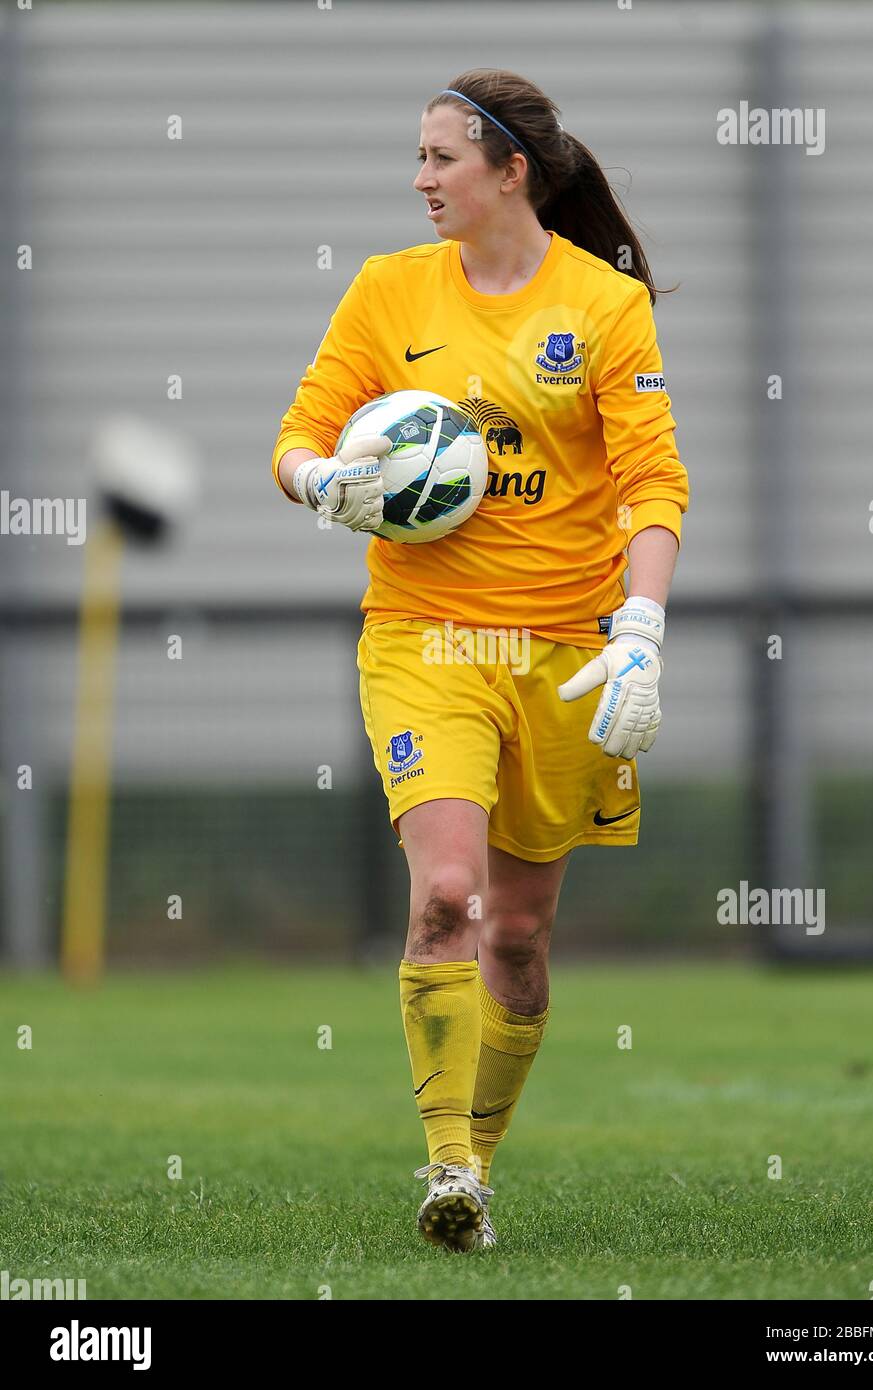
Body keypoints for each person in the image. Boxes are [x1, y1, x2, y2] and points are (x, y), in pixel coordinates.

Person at [271, 68, 689, 1253]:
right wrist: (325, 484)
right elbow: (298, 437)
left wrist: (640, 631)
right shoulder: (385, 291)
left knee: (516, 933)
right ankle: (449, 1169)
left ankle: (479, 1163)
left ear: (512, 171)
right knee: (446, 898)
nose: (420, 180)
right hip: (424, 641)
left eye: (442, 159)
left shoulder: (605, 307)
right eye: (418, 158)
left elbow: (654, 481)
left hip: (564, 653)